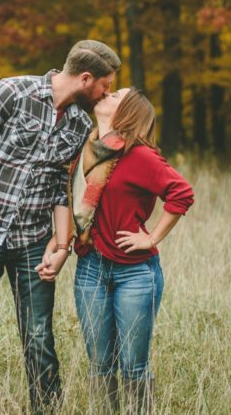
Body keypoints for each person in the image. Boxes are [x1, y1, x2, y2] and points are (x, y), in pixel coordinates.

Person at [0, 40, 121, 414]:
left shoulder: (78, 124)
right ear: (86, 78)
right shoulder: (11, 92)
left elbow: (61, 187)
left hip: (34, 243)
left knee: (39, 339)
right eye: (105, 85)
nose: (107, 92)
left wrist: (60, 247)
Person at [41, 88, 194, 414]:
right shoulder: (87, 148)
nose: (106, 93)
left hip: (135, 273)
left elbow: (181, 194)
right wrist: (61, 242)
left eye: (116, 95)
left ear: (127, 113)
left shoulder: (140, 156)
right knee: (100, 365)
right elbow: (71, 201)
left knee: (133, 366)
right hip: (90, 269)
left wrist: (151, 238)